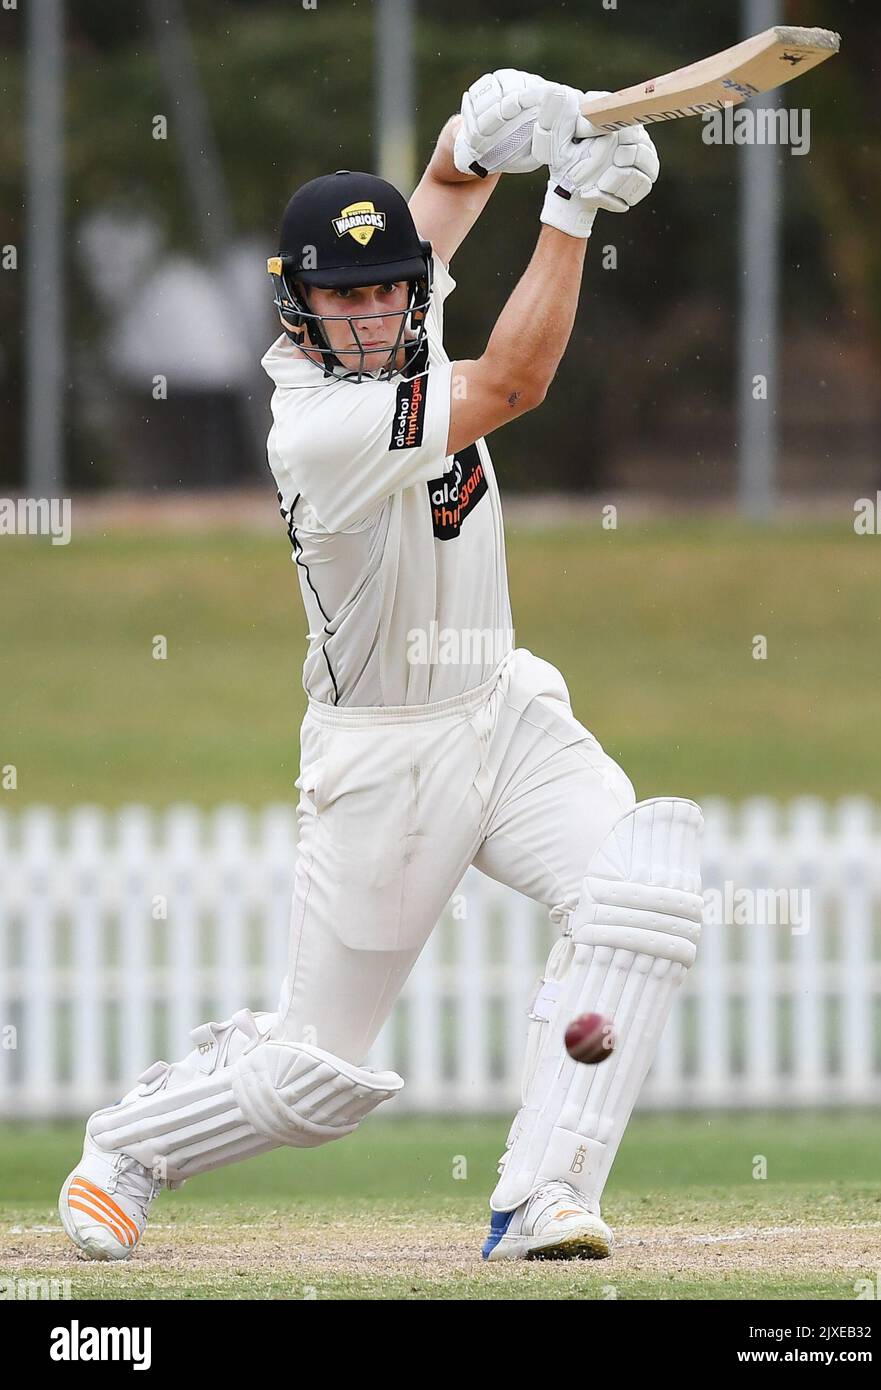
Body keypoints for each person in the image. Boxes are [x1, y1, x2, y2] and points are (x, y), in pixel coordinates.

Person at [59, 71, 703, 1265]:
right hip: (383, 756)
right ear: (295, 309)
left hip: (501, 709)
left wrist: (479, 132)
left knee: (641, 891)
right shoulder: (319, 426)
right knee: (315, 1079)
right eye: (339, 297)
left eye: (389, 291)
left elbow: (448, 192)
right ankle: (133, 1143)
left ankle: (540, 1193)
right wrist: (569, 207)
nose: (369, 315)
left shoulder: (407, 319)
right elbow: (513, 386)